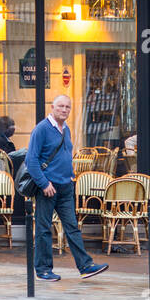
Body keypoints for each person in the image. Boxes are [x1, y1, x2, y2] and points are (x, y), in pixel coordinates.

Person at [26, 94, 108, 281]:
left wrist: (70, 176)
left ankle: (86, 266)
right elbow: (31, 160)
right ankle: (43, 270)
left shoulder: (66, 129)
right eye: (61, 106)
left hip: (65, 186)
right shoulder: (42, 129)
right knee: (44, 229)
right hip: (48, 187)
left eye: (67, 107)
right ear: (52, 107)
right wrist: (44, 183)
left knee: (72, 227)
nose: (64, 110)